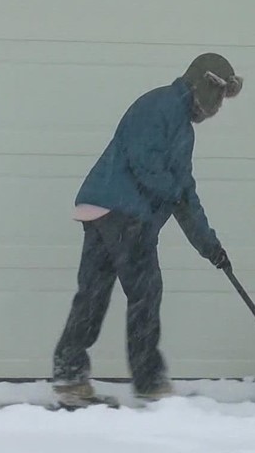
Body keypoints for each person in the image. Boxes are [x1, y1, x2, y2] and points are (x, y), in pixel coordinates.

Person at [50, 52, 243, 408]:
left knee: (93, 295)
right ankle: (149, 379)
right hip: (124, 214)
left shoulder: (176, 122)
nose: (216, 108)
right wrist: (175, 193)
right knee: (145, 293)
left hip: (100, 209)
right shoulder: (161, 107)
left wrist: (210, 247)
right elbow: (147, 164)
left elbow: (185, 194)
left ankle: (70, 373)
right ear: (204, 85)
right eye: (217, 97)